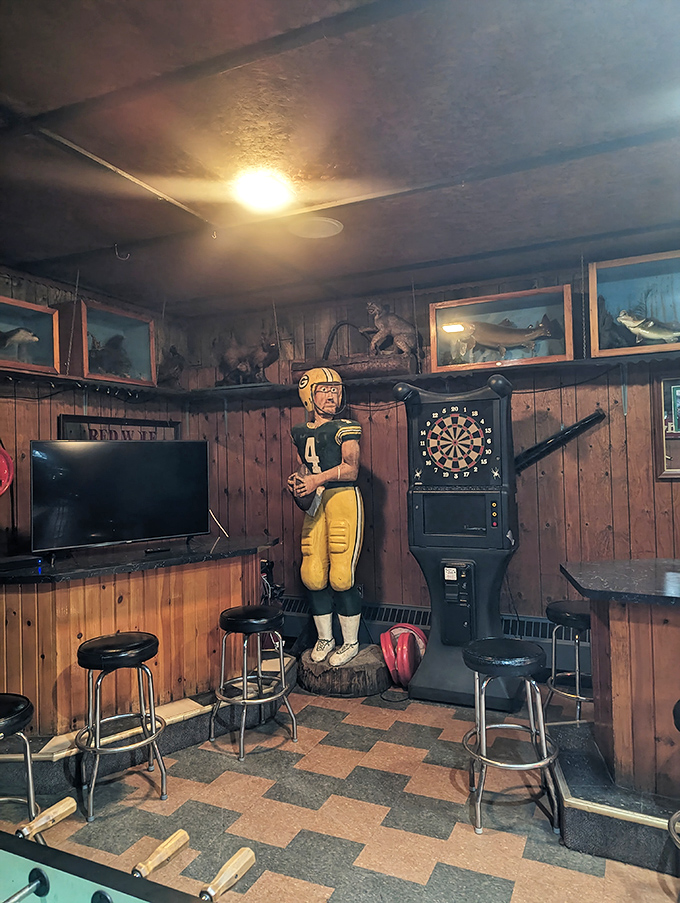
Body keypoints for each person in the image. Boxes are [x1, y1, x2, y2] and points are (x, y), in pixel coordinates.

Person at [288, 367, 364, 667]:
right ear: (309, 395)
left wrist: (316, 480)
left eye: (336, 389)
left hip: (343, 498)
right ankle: (325, 637)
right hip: (318, 501)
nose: (333, 394)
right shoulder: (300, 431)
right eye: (325, 389)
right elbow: (303, 468)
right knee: (312, 573)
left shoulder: (345, 428)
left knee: (342, 576)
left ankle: (350, 642)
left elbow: (351, 468)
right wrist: (297, 482)